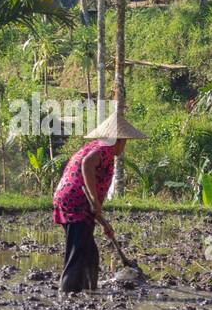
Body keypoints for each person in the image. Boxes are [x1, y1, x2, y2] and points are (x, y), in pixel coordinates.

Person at [52, 109, 146, 293]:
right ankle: (67, 293)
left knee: (89, 253)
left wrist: (103, 222)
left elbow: (93, 200)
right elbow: (86, 164)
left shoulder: (102, 150)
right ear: (118, 140)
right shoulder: (104, 148)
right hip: (75, 204)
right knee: (77, 252)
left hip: (77, 203)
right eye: (124, 142)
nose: (124, 146)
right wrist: (94, 200)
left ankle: (88, 290)